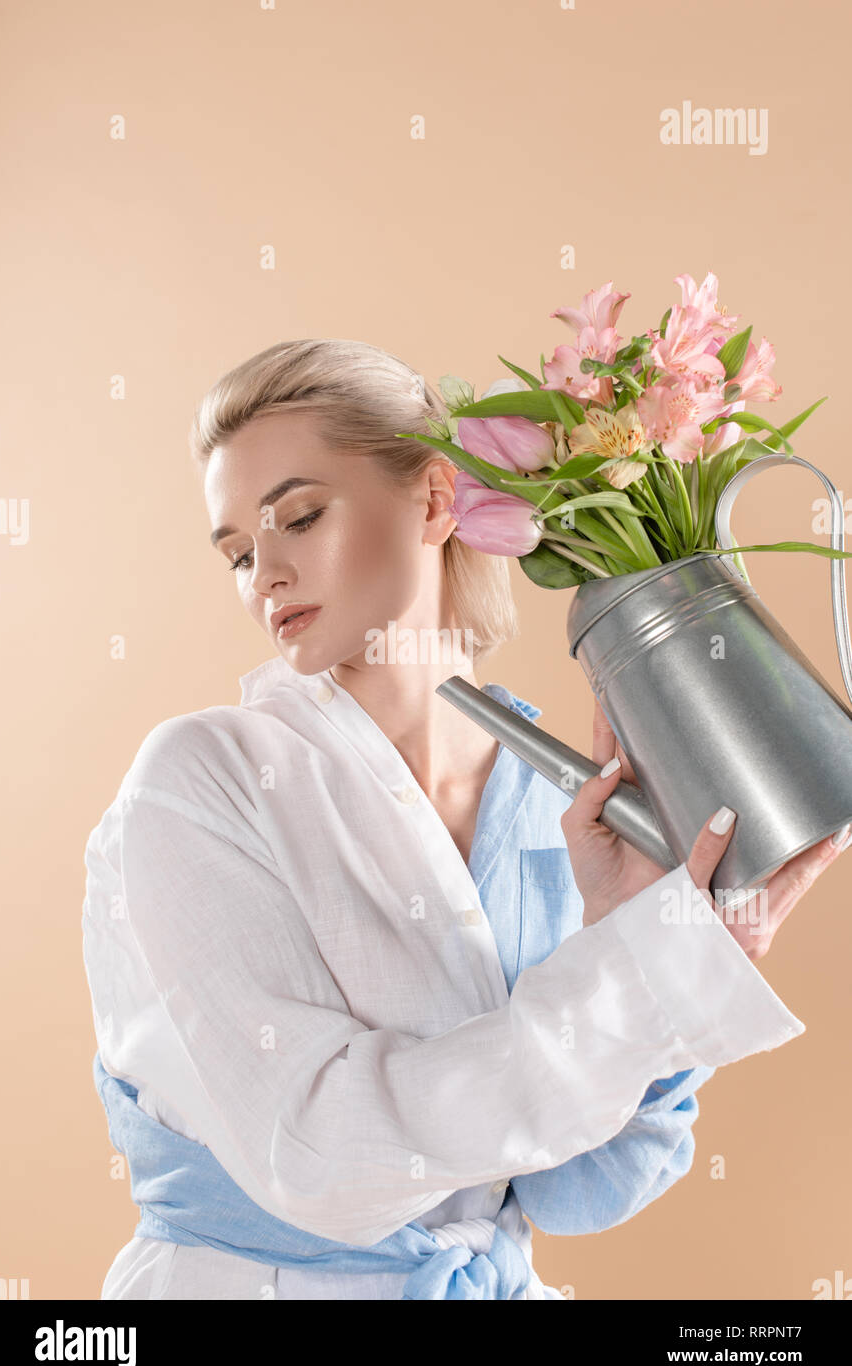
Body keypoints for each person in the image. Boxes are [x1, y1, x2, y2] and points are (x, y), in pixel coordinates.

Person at [81, 338, 847, 1300]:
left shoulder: (553, 799)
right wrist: (645, 978)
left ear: (436, 501)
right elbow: (322, 1150)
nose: (263, 575)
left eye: (299, 518)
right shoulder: (203, 781)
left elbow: (576, 1191)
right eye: (237, 553)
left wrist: (647, 940)